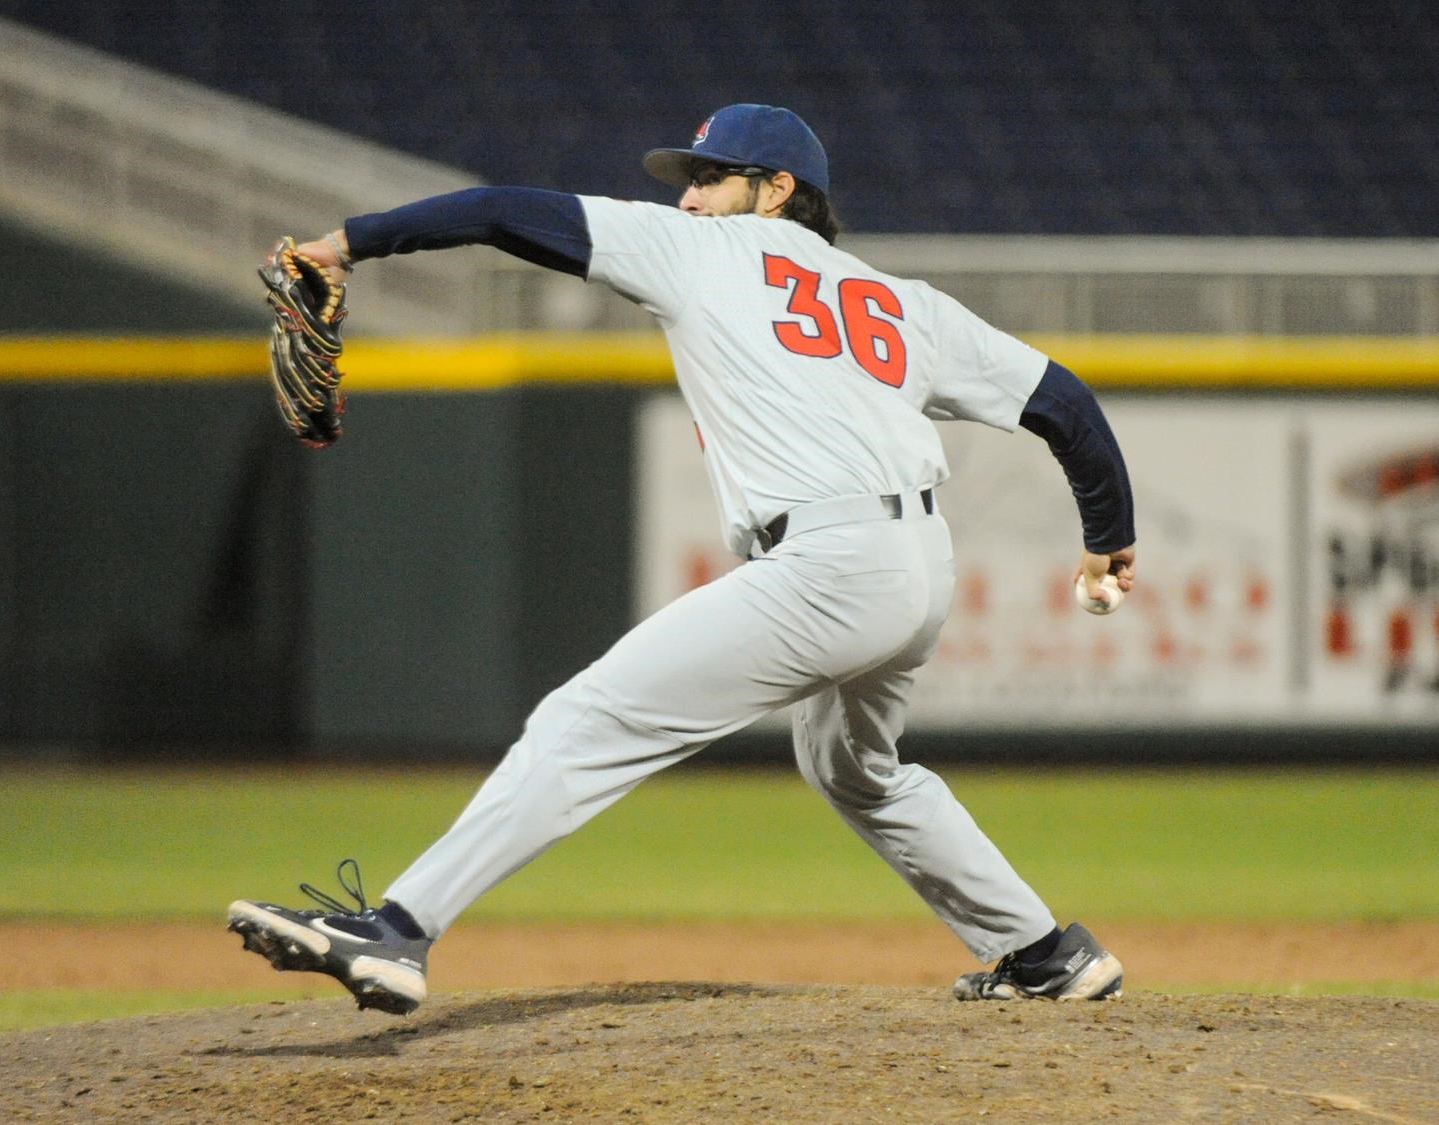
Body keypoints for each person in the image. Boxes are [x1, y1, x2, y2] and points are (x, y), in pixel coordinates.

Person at [229, 104, 1137, 1013]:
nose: (690, 197)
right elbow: (1066, 405)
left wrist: (350, 243)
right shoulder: (904, 302)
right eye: (688, 183)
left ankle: (398, 930)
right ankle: (1046, 952)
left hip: (830, 563)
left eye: (710, 178)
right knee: (856, 768)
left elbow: (506, 210)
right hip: (919, 564)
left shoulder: (701, 250)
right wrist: (1107, 541)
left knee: (587, 719)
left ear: (777, 191)